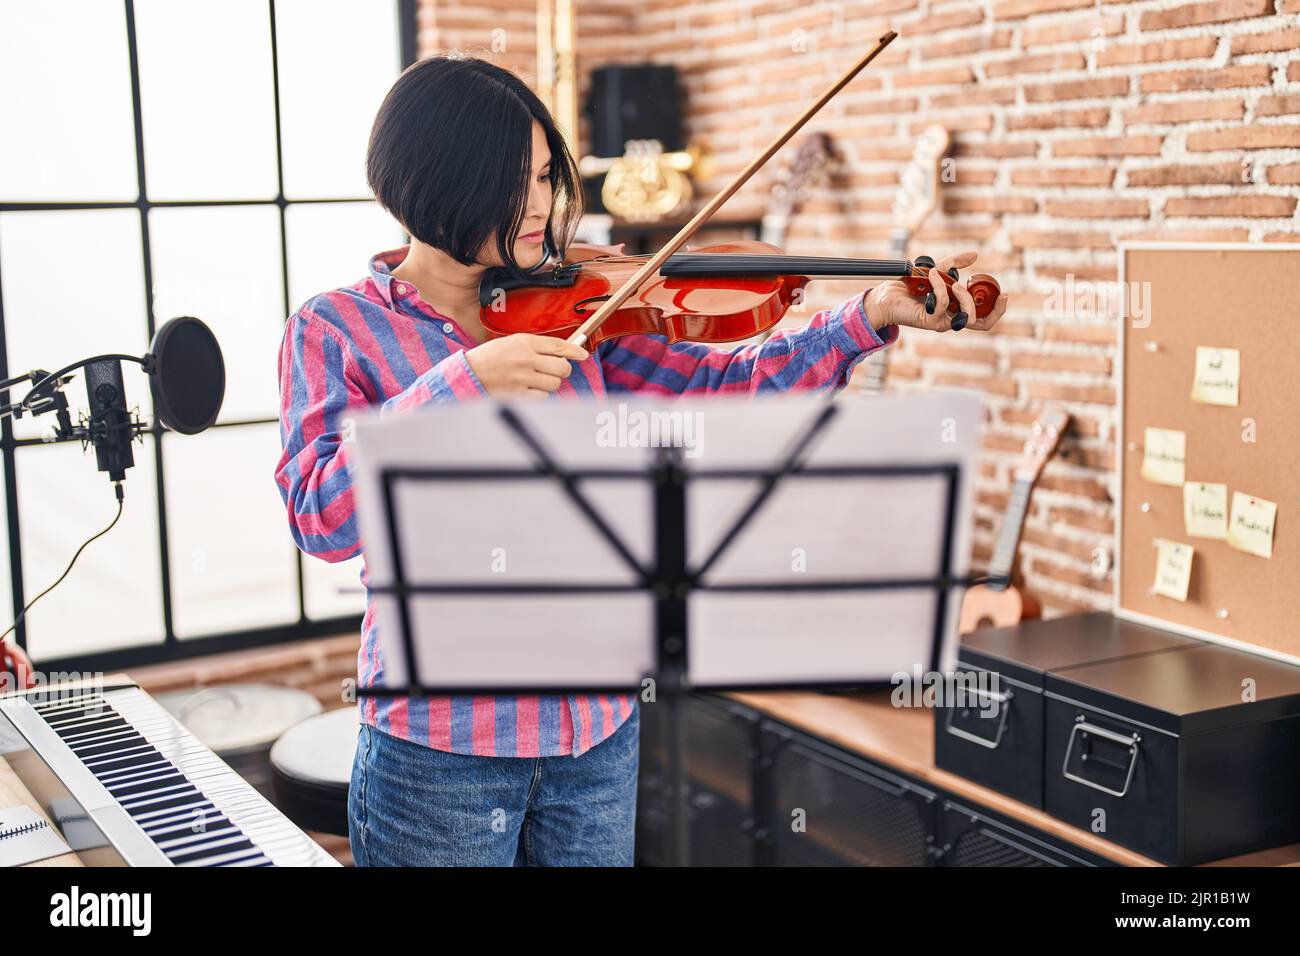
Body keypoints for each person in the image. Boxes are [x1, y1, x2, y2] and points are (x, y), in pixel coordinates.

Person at [275, 54, 1007, 867]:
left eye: (549, 177)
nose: (543, 205)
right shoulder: (335, 330)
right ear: (430, 181)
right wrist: (462, 383)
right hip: (440, 747)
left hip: (594, 734)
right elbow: (320, 517)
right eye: (513, 181)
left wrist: (865, 315)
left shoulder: (586, 312)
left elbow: (734, 385)